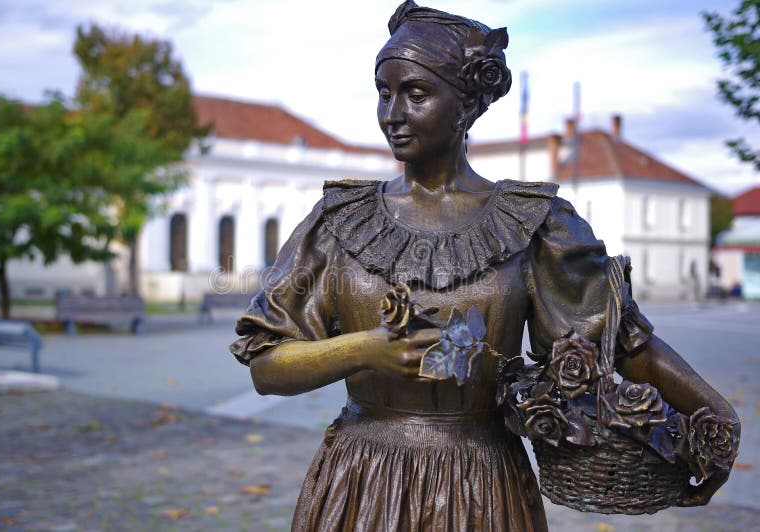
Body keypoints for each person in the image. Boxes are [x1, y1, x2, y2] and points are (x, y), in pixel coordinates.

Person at [230, 2, 738, 530]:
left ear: (466, 106)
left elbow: (625, 342)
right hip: (364, 480)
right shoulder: (338, 222)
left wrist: (715, 413)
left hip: (482, 485)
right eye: (384, 92)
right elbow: (268, 367)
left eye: (416, 94)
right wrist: (365, 349)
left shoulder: (536, 222)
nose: (392, 113)